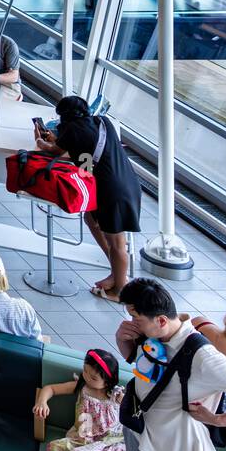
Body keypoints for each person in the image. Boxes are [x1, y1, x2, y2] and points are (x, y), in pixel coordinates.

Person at [114, 277, 226, 451]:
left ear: (161, 320)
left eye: (137, 319)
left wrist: (218, 420)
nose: (132, 323)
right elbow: (142, 367)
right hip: (138, 434)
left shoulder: (206, 358)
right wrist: (122, 340)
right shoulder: (151, 334)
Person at [36, 96, 140, 302]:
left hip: (111, 191)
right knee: (91, 220)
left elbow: (53, 150)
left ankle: (120, 290)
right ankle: (116, 273)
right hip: (127, 181)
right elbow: (85, 151)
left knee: (118, 243)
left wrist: (39, 141)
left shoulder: (71, 130)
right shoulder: (103, 122)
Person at [33, 349, 127, 451]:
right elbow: (50, 389)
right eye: (85, 371)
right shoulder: (81, 387)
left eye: (93, 378)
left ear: (108, 381)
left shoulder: (115, 395)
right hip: (84, 440)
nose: (86, 377)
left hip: (110, 440)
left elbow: (134, 412)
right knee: (56, 448)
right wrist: (42, 402)